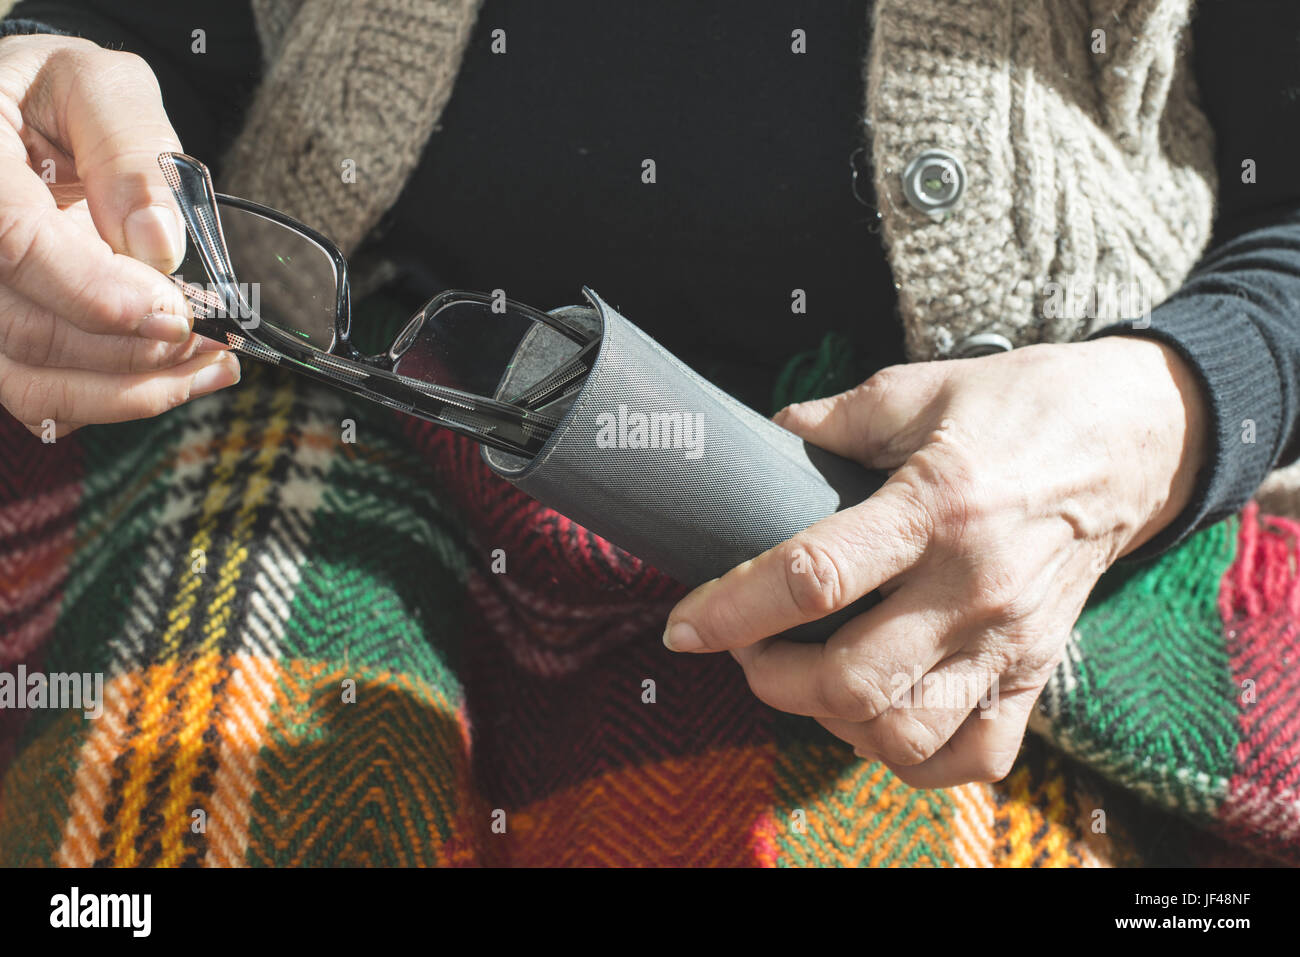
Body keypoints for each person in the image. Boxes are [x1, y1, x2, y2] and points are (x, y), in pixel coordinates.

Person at [0, 0, 1297, 867]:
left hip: (970, 520)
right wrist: (38, 71)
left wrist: (1167, 410)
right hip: (309, 379)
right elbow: (113, 27)